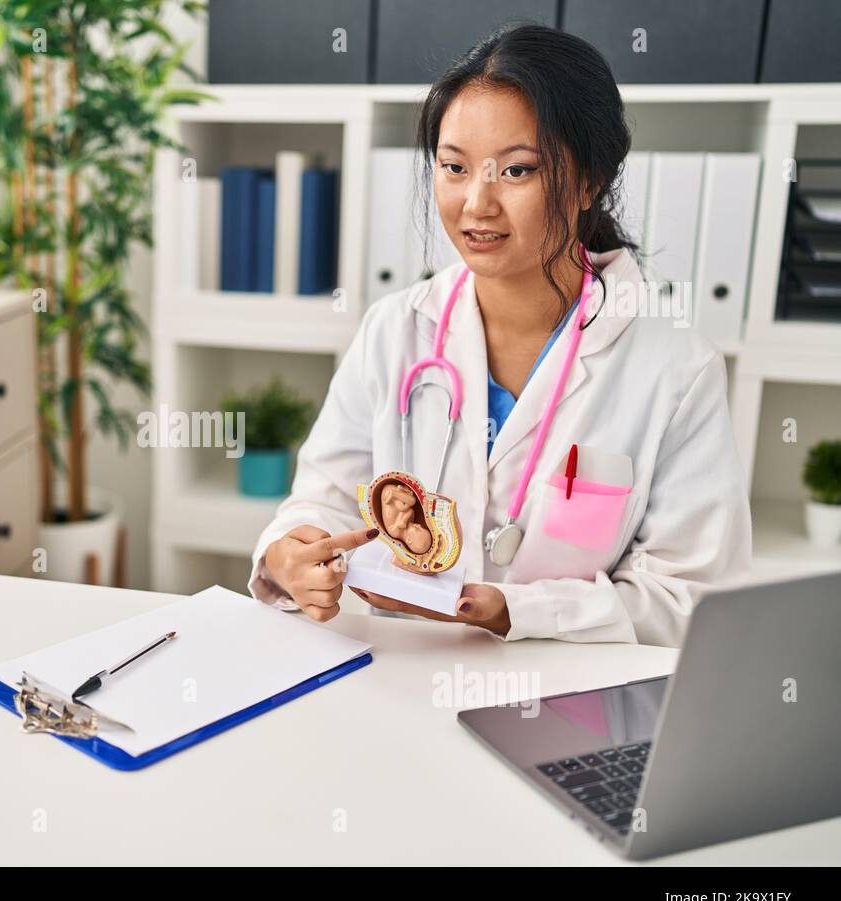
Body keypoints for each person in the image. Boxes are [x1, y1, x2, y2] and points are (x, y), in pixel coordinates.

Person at [249, 24, 752, 646]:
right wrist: (289, 554)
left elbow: (690, 597)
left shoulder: (675, 365)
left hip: (572, 703)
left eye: (516, 171)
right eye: (454, 167)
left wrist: (514, 610)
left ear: (590, 180)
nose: (476, 203)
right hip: (399, 677)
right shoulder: (394, 331)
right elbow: (319, 507)